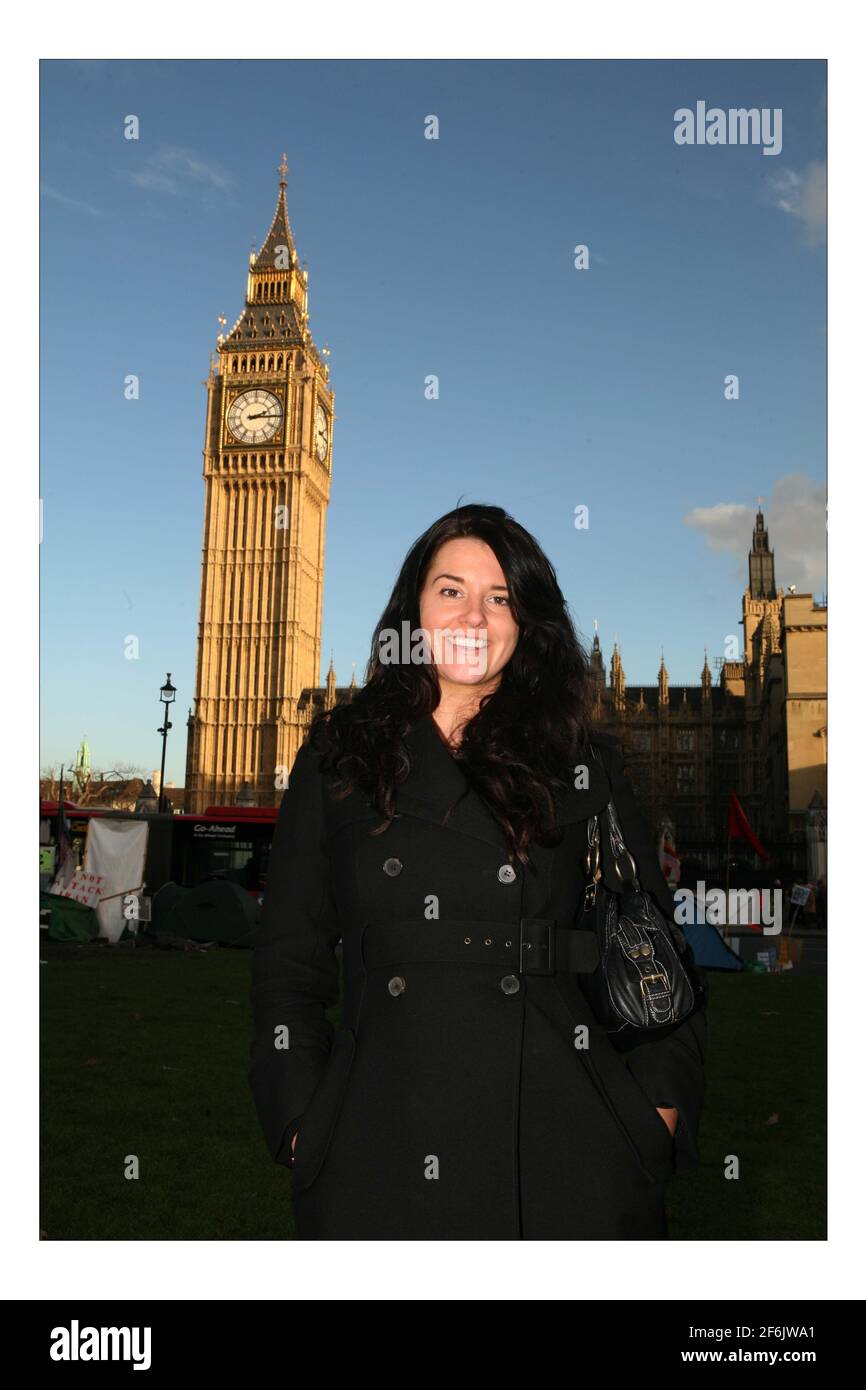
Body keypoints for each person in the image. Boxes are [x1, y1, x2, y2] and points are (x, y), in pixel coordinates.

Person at [248, 504, 708, 1239]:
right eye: (451, 590)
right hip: (379, 1144)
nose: (475, 615)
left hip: (571, 1148)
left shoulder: (583, 764)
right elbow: (288, 967)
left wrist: (653, 1113)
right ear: (412, 610)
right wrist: (305, 1121)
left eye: (500, 597)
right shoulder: (339, 759)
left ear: (528, 620)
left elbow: (653, 951)